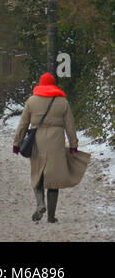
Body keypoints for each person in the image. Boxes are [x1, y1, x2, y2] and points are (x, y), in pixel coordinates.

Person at [13, 72, 85, 223]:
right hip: (56, 141)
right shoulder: (62, 102)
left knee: (37, 174)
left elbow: (23, 124)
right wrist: (73, 145)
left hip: (37, 141)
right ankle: (51, 216)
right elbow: (70, 125)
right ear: (54, 84)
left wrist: (17, 143)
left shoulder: (31, 101)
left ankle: (40, 204)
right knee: (54, 178)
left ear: (40, 84)